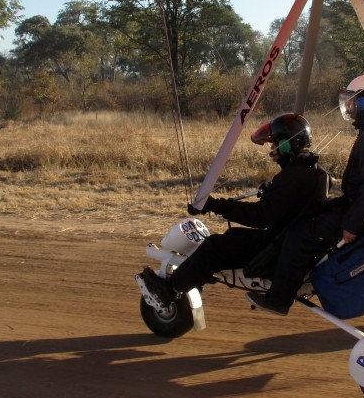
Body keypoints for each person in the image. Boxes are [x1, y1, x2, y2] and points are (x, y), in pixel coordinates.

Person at [247, 73, 364, 316]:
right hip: (359, 208)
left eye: (354, 102)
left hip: (363, 215)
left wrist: (352, 224)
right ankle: (292, 278)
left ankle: (280, 299)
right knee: (307, 218)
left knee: (301, 234)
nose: (350, 108)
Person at [139, 113, 327, 306]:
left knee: (214, 246)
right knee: (233, 235)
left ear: (288, 144)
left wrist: (216, 205)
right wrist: (272, 191)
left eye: (275, 142)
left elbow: (260, 216)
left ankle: (169, 291)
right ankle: (199, 274)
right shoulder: (312, 170)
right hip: (291, 242)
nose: (271, 147)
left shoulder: (292, 177)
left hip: (280, 249)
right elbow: (287, 204)